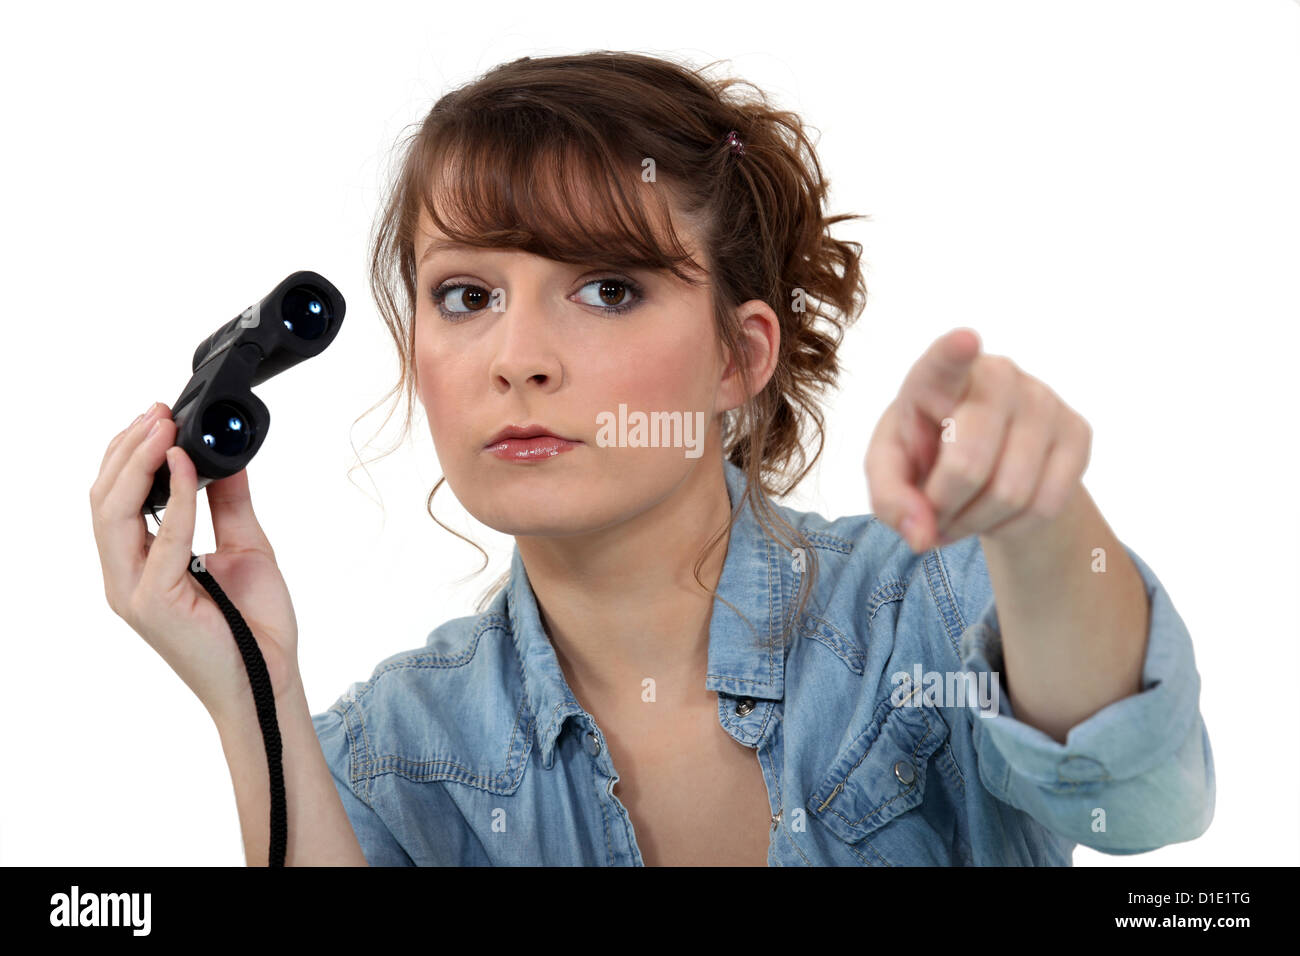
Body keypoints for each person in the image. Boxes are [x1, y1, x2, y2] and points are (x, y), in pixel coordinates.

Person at [90, 50, 1214, 866]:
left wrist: (1039, 522)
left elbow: (1141, 798)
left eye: (607, 288)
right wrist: (254, 694)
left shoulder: (930, 607)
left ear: (738, 355)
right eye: (467, 295)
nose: (517, 359)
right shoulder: (386, 755)